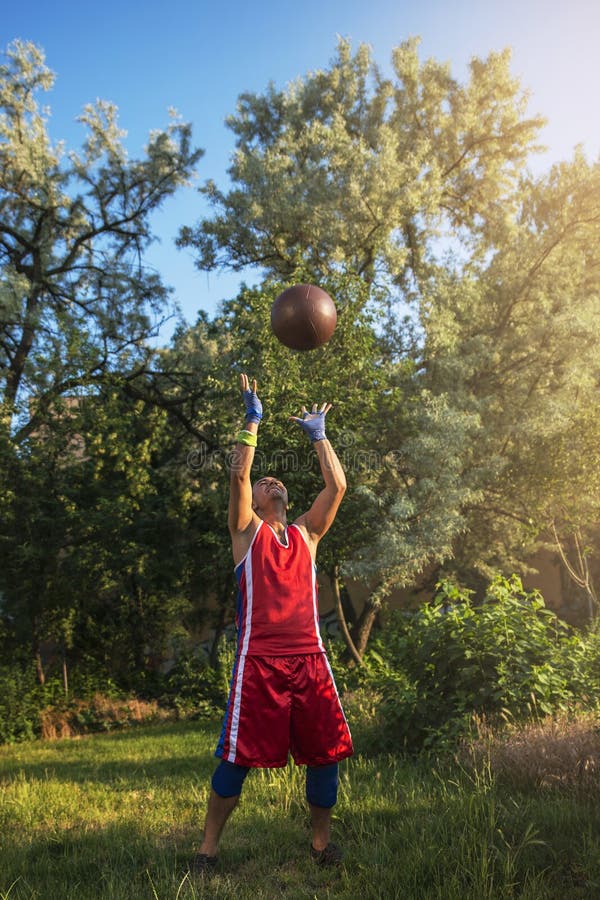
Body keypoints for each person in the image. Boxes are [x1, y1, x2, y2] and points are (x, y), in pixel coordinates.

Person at [189, 373, 353, 874]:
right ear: (258, 502)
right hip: (258, 661)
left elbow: (338, 485)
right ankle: (207, 852)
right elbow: (239, 477)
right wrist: (252, 421)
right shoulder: (246, 533)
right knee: (236, 759)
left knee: (326, 754)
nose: (271, 482)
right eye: (266, 483)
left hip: (310, 660)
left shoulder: (306, 535)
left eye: (277, 482)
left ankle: (320, 846)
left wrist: (319, 435)